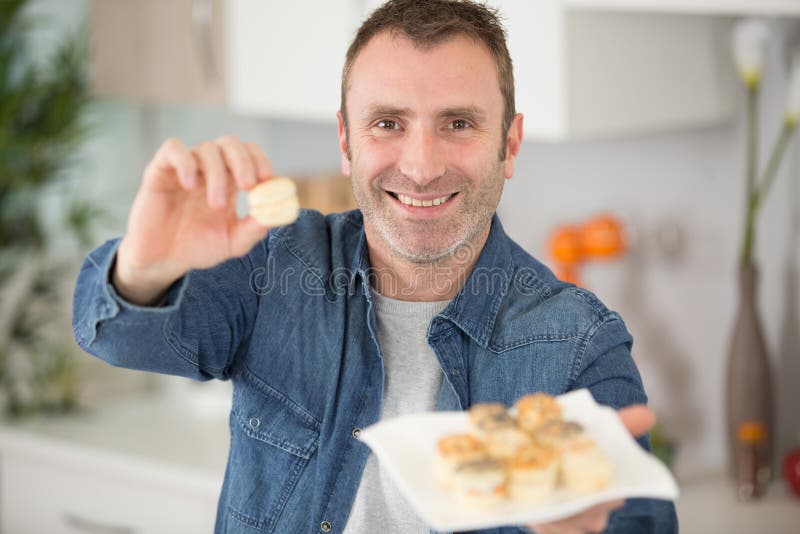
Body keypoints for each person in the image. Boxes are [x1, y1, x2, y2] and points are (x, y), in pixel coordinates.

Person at [72, 1, 678, 532]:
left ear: (510, 144)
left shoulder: (580, 346)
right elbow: (112, 335)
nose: (420, 166)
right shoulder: (274, 266)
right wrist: (147, 265)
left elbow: (636, 522)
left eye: (458, 124)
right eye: (388, 124)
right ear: (346, 141)